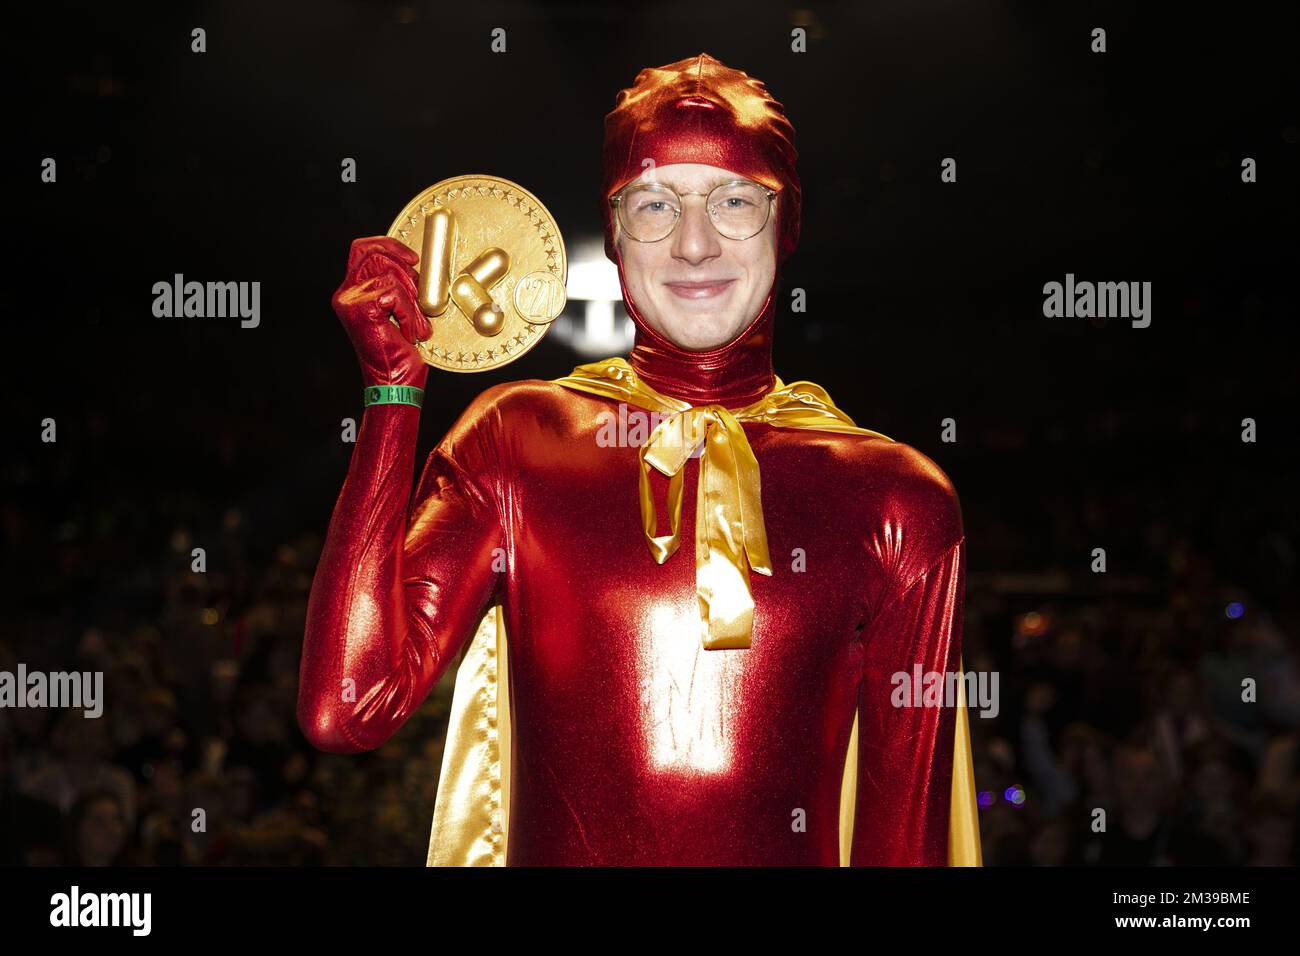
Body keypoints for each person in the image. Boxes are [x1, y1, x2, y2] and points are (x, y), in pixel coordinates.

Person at [298, 52, 980, 865]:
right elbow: (347, 707)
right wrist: (390, 398)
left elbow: (907, 841)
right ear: (615, 234)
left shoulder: (898, 497)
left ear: (787, 223)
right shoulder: (516, 440)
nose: (694, 245)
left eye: (734, 201)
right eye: (654, 205)